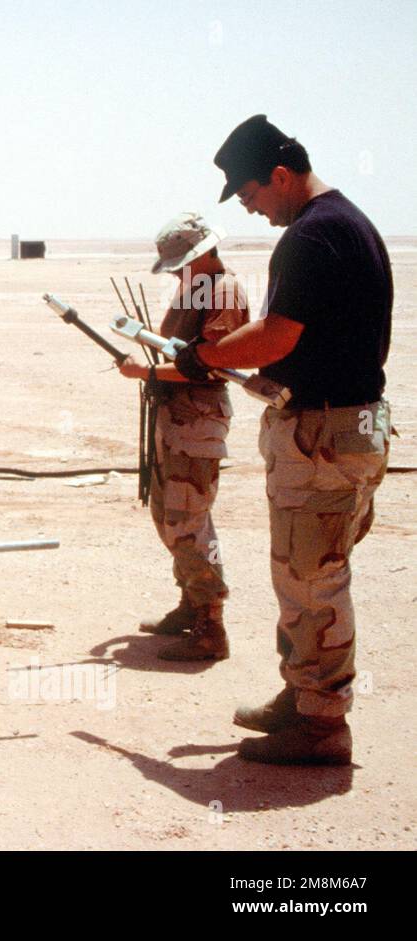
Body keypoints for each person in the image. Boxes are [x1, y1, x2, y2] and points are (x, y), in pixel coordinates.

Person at [171, 115, 392, 764]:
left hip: (326, 432)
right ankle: (303, 696)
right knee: (311, 572)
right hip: (353, 422)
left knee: (312, 578)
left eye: (251, 195)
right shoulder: (350, 225)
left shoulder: (311, 236)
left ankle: (322, 724)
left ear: (280, 175)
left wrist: (206, 355)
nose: (252, 209)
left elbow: (277, 336)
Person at [118, 212, 249, 661]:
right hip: (174, 416)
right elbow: (179, 349)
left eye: (182, 264)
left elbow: (215, 363)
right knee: (168, 515)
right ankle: (191, 604)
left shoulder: (225, 289)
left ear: (206, 252)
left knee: (190, 519)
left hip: (198, 419)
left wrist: (148, 370)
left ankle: (212, 623)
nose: (178, 272)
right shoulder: (193, 286)